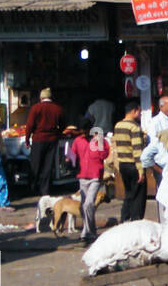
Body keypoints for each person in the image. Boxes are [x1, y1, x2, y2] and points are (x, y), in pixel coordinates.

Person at [73, 117, 110, 246]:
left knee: (88, 203)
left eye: (84, 131)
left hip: (95, 176)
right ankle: (92, 231)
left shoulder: (99, 140)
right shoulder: (78, 141)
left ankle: (85, 233)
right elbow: (73, 155)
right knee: (84, 206)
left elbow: (104, 155)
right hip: (82, 176)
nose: (82, 133)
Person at [24, 87, 65, 198]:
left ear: (41, 97)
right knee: (48, 165)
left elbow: (30, 125)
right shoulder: (58, 109)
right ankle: (45, 190)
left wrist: (27, 139)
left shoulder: (36, 108)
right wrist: (58, 133)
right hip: (52, 140)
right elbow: (63, 125)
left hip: (38, 139)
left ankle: (32, 188)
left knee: (35, 164)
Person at [112, 101, 148, 223]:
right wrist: (141, 171)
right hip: (134, 165)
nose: (140, 115)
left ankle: (124, 219)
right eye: (140, 112)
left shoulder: (118, 125)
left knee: (129, 194)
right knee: (138, 196)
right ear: (134, 111)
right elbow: (137, 151)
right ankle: (136, 221)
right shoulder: (134, 127)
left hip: (123, 165)